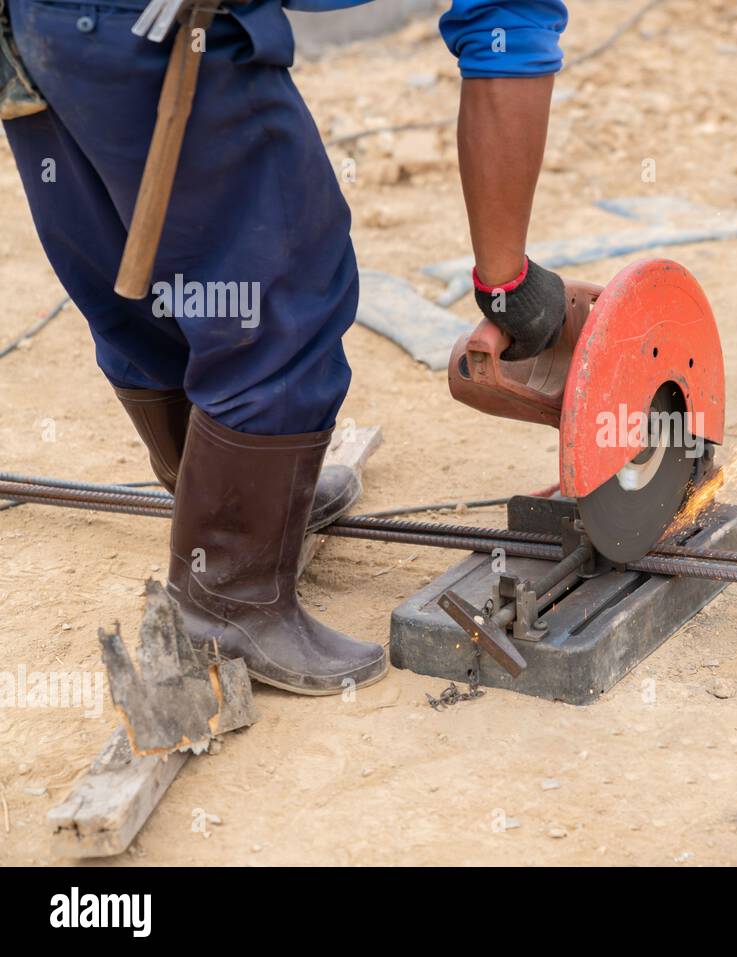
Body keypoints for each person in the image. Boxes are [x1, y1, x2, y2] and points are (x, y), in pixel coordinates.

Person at [0, 0, 570, 694]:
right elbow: (505, 38)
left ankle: (222, 509)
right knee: (280, 288)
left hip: (41, 29)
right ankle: (229, 602)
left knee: (140, 276)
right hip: (153, 26)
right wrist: (506, 277)